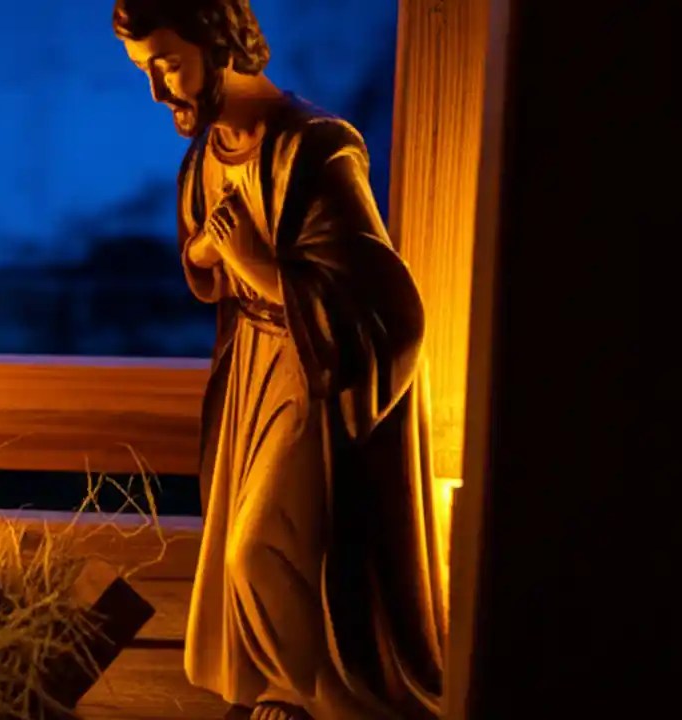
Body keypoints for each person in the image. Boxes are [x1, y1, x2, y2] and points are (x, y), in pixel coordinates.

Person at [112, 2, 443, 718]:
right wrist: (211, 251)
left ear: (215, 40)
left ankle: (323, 699)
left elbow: (379, 301)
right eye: (146, 70)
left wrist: (254, 263)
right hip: (250, 368)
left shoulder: (317, 148)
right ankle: (278, 691)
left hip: (309, 371)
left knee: (258, 549)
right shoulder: (206, 151)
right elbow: (203, 255)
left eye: (166, 63)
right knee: (243, 540)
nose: (158, 90)